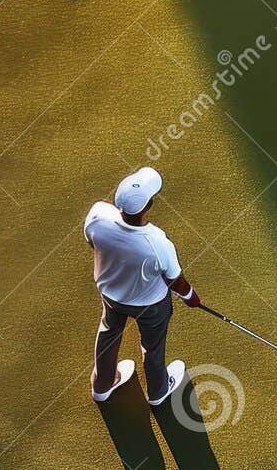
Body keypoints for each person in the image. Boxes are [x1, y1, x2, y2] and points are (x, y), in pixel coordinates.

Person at [83, 166, 202, 406]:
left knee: (108, 333)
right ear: (148, 206)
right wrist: (190, 297)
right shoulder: (157, 242)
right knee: (152, 346)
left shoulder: (97, 214)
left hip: (111, 296)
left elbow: (91, 241)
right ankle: (158, 392)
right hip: (151, 305)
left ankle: (102, 386)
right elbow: (174, 281)